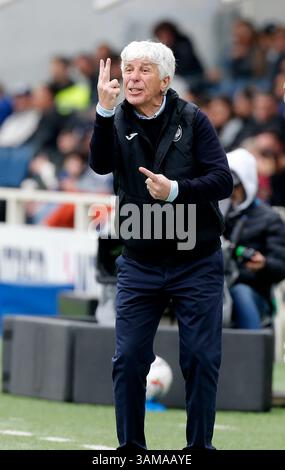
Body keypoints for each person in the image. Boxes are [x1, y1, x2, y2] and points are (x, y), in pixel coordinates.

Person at [89, 41, 233, 451]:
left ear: (165, 81)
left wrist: (175, 191)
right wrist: (101, 112)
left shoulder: (193, 118)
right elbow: (99, 163)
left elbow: (223, 180)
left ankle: (198, 449)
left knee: (201, 359)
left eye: (143, 71)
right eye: (127, 69)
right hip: (140, 262)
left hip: (197, 261)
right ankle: (130, 449)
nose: (132, 77)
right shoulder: (114, 118)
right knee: (129, 359)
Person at [224, 148, 285, 329]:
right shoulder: (216, 214)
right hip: (216, 284)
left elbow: (281, 265)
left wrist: (264, 264)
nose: (230, 192)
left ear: (247, 183)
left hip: (253, 290)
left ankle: (251, 350)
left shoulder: (269, 219)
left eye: (235, 186)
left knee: (240, 292)